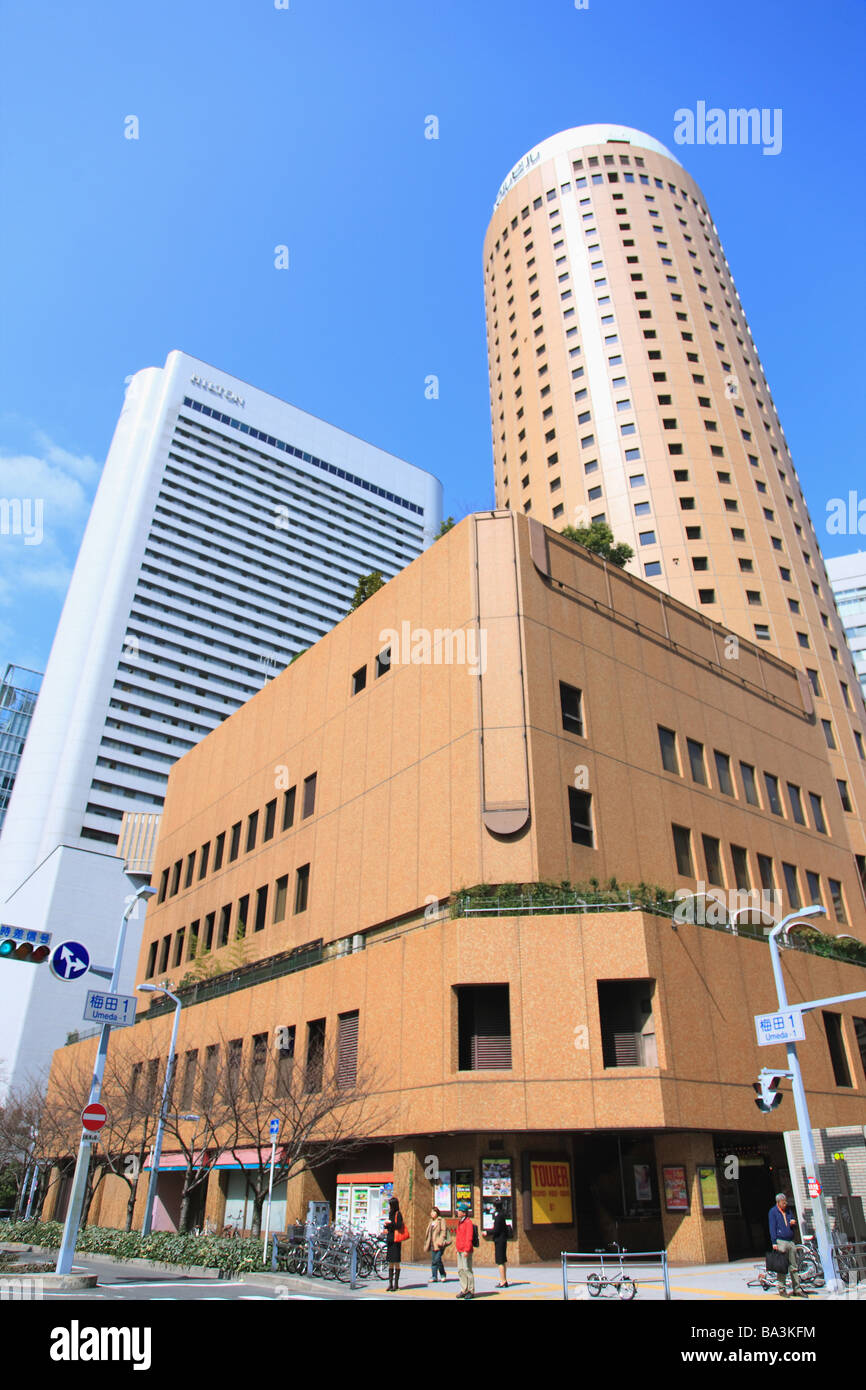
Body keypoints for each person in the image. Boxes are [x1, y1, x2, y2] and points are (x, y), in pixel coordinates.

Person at [769, 1192, 803, 1298]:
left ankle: (797, 1289)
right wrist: (774, 1242)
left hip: (790, 1241)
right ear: (778, 1203)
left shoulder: (788, 1211)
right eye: (783, 1203)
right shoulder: (773, 1212)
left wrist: (793, 1223)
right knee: (782, 1266)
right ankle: (782, 1289)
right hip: (780, 1241)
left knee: (794, 1266)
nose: (785, 1204)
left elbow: (793, 1222)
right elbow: (772, 1227)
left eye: (786, 1202)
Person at [455, 1202, 476, 1299]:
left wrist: (467, 1250)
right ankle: (464, 1289)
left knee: (467, 1269)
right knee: (460, 1270)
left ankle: (471, 1290)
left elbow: (469, 1237)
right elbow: (459, 1236)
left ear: (464, 1213)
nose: (458, 1212)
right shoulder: (460, 1222)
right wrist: (457, 1248)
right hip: (460, 1249)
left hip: (465, 1250)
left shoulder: (468, 1222)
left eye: (459, 1210)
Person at [424, 1206, 451, 1283]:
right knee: (433, 1261)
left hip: (439, 1244)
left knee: (438, 1259)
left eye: (434, 1212)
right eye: (431, 1212)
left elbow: (443, 1231)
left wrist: (440, 1240)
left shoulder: (441, 1220)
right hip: (432, 1244)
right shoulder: (431, 1221)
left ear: (437, 1213)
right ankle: (434, 1276)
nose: (432, 1213)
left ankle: (443, 1274)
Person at [383, 1196, 405, 1292]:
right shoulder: (390, 1214)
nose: (389, 1207)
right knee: (390, 1262)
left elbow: (399, 1226)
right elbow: (390, 1227)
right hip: (390, 1240)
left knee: (396, 1261)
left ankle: (396, 1284)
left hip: (396, 1241)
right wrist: (386, 1226)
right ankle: (390, 1284)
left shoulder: (398, 1214)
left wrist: (390, 1224)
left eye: (390, 1205)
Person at [490, 1197, 509, 1287]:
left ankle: (503, 1281)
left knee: (500, 1261)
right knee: (503, 1261)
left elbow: (496, 1230)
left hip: (499, 1241)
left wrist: (487, 1232)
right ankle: (504, 1280)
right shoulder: (503, 1215)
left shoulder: (498, 1217)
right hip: (503, 1240)